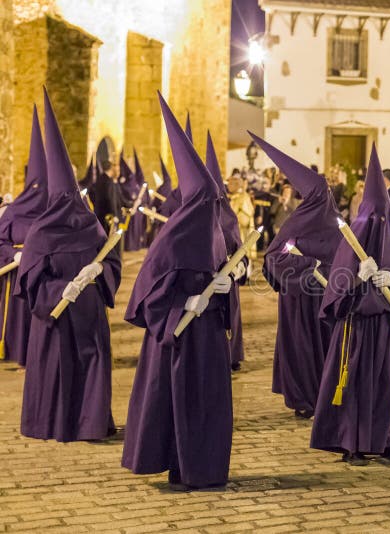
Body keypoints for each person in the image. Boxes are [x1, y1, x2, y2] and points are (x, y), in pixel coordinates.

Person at [122, 93, 235, 491]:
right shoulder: (171, 238)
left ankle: (203, 468)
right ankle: (176, 464)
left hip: (207, 340)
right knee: (175, 404)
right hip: (178, 338)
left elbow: (222, 273)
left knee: (206, 405)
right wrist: (181, 303)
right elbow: (147, 295)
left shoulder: (215, 233)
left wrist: (224, 288)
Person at [17, 90, 121, 442]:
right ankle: (56, 422)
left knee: (91, 365)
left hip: (89, 314)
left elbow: (111, 258)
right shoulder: (40, 232)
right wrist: (60, 290)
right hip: (56, 317)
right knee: (58, 368)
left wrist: (99, 273)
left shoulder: (91, 224)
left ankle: (90, 423)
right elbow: (30, 281)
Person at [310, 145, 390, 466]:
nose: (380, 224)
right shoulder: (351, 240)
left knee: (385, 383)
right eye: (374, 217)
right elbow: (334, 295)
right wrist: (356, 279)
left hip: (381, 329)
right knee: (353, 381)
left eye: (385, 217)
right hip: (355, 328)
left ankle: (383, 439)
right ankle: (351, 440)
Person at [254, 134, 342, 419]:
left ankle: (326, 394)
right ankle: (304, 397)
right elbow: (274, 256)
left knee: (327, 347)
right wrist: (309, 265)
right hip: (300, 299)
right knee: (303, 348)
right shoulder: (298, 220)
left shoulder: (334, 220)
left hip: (326, 296)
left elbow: (346, 254)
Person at [0, 105, 48, 367]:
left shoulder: (53, 214)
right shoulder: (13, 211)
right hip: (13, 272)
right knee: (14, 316)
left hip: (40, 276)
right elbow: (1, 241)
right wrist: (13, 254)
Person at [206, 132, 248, 371]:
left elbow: (238, 245)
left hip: (227, 277)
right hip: (203, 281)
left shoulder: (227, 214)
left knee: (229, 318)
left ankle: (231, 355)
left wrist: (239, 266)